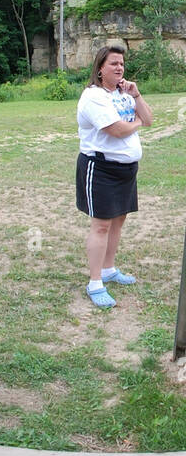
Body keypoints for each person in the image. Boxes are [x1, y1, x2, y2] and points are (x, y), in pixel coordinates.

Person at [77, 40, 153, 308]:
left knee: (119, 220)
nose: (119, 67)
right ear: (100, 68)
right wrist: (137, 123)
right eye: (113, 63)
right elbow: (117, 130)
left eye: (121, 63)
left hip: (126, 170)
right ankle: (95, 282)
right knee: (101, 225)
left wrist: (137, 95)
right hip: (101, 168)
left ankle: (109, 269)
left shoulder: (123, 92)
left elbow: (150, 118)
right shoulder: (93, 96)